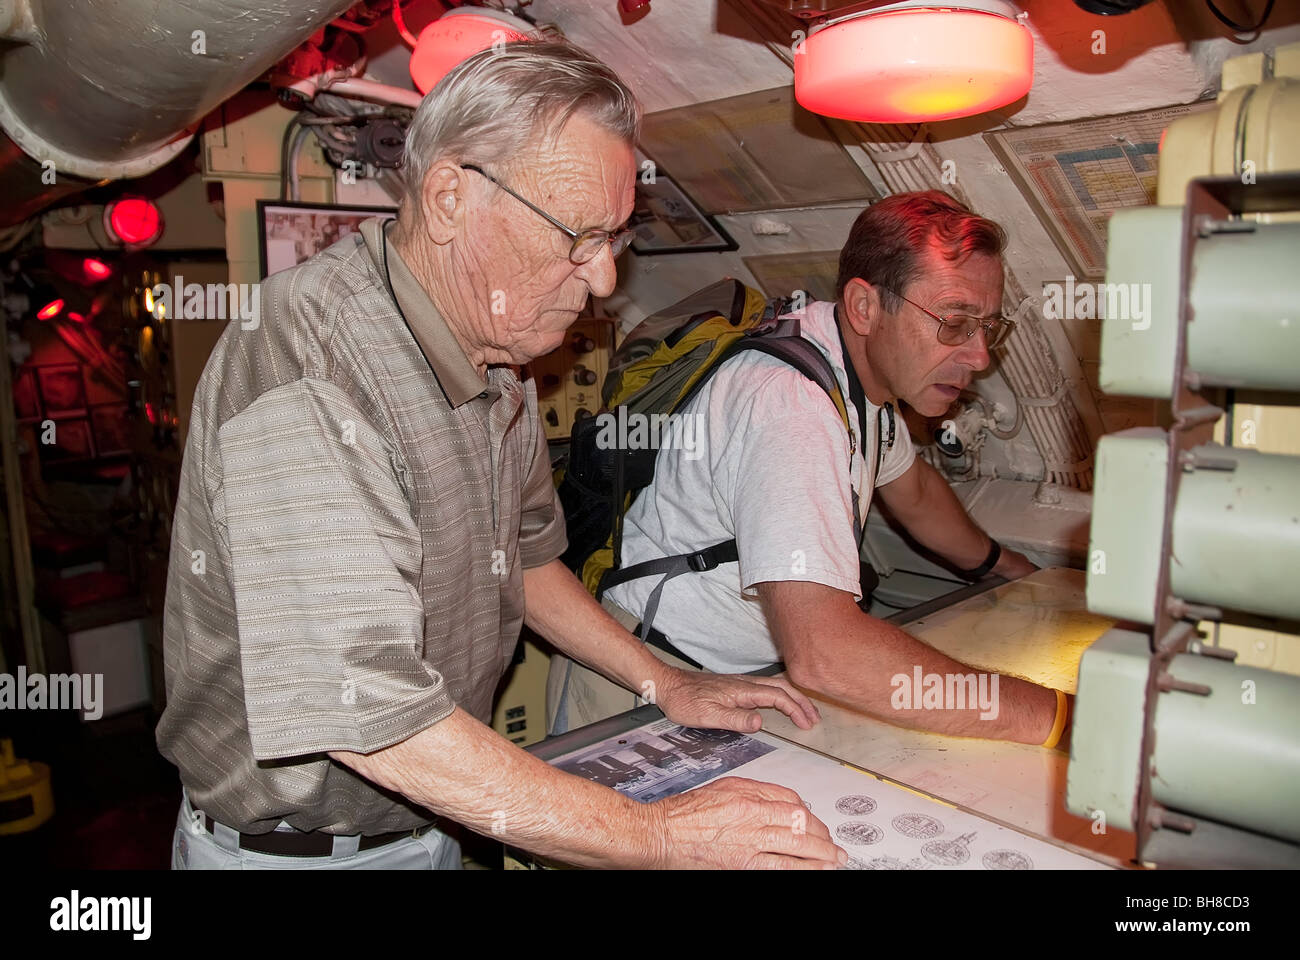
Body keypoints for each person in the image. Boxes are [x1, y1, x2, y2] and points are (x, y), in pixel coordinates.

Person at [156, 40, 846, 871]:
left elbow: (522, 560)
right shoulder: (310, 365)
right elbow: (367, 716)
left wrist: (663, 679)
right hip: (298, 854)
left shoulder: (496, 355)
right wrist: (660, 838)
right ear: (450, 196)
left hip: (437, 819)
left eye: (615, 239)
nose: (601, 281)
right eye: (579, 236)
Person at [549, 191, 1072, 750]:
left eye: (989, 325)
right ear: (865, 307)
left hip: (742, 676)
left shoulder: (860, 375)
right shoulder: (791, 405)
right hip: (644, 678)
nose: (980, 355)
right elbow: (827, 654)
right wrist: (1057, 718)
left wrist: (1009, 567)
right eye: (954, 322)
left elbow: (915, 494)